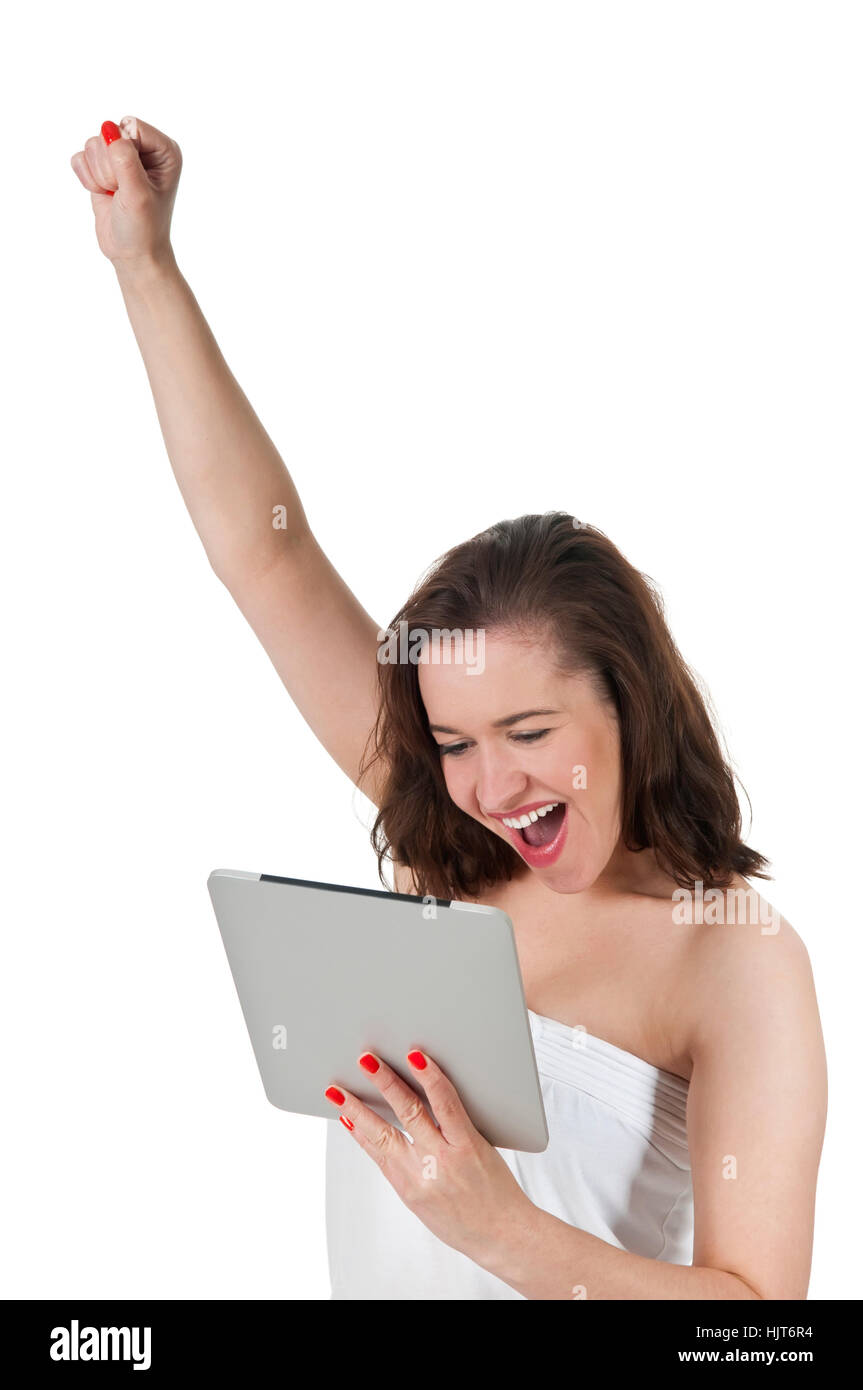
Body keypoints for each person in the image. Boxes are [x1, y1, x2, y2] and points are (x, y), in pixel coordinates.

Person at [71, 116, 828, 1301]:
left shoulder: (731, 958)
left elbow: (756, 1325)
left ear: (627, 705)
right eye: (455, 742)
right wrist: (144, 263)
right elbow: (263, 557)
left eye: (529, 733)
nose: (489, 786)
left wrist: (500, 1229)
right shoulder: (449, 849)